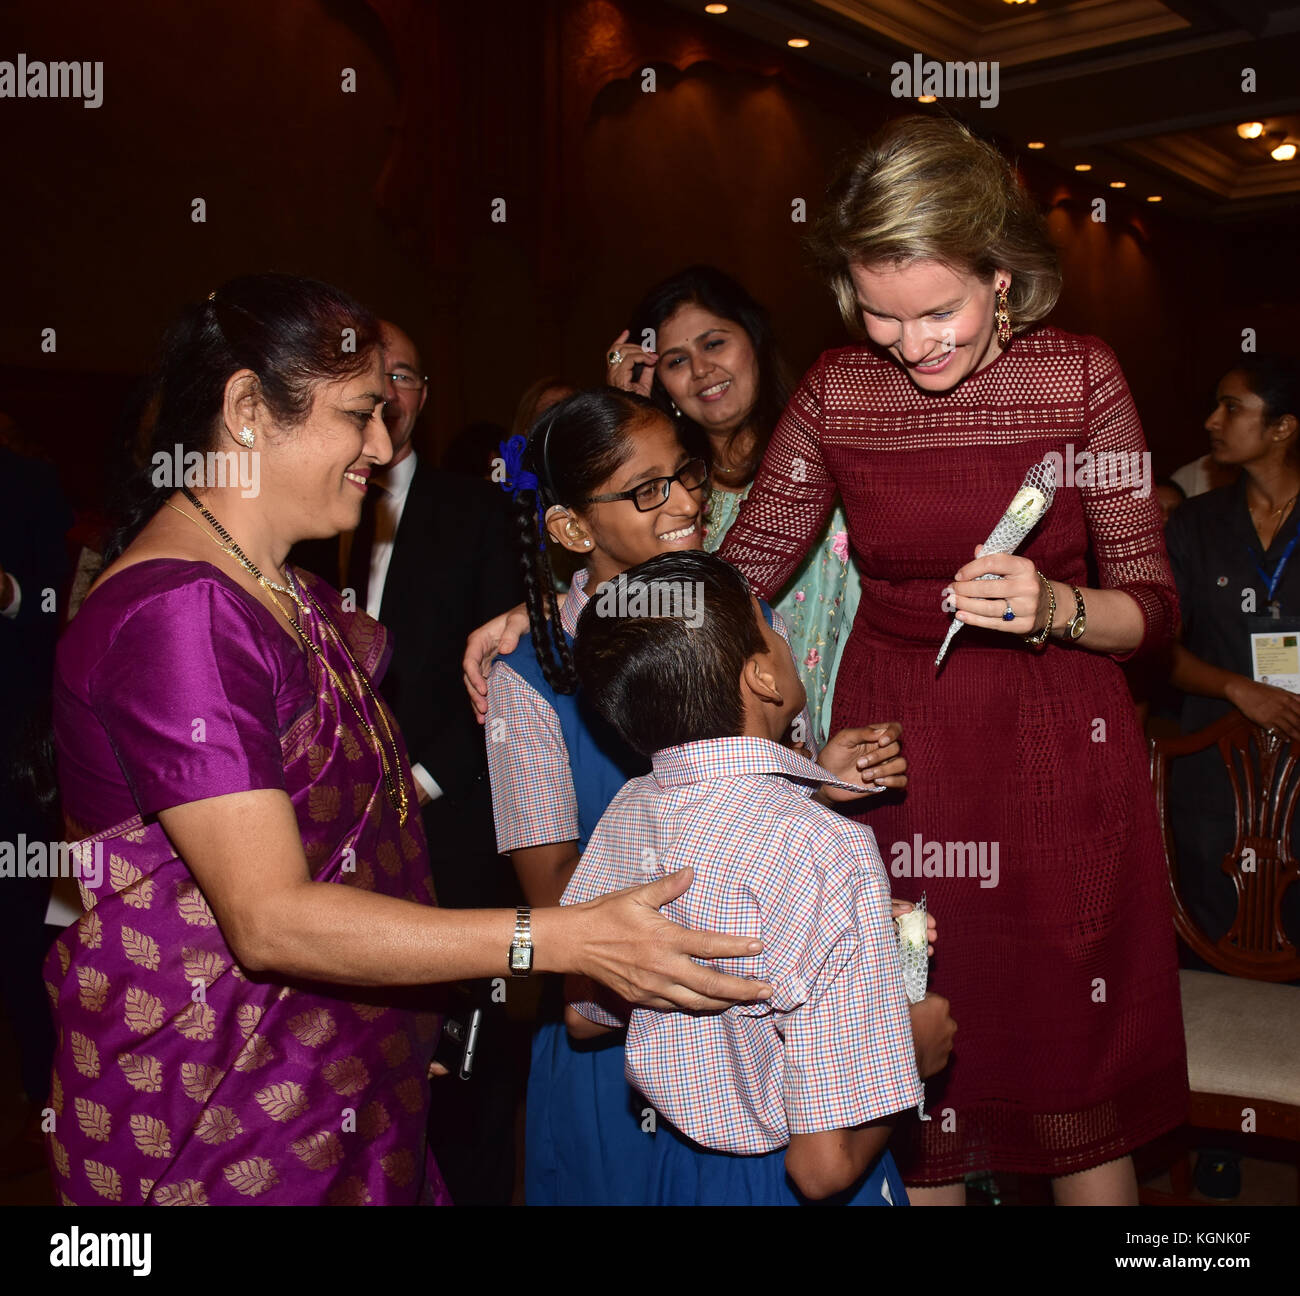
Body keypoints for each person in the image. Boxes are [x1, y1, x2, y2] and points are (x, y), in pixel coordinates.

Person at [44, 273, 778, 1207]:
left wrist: (383, 1032)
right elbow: (270, 919)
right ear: (245, 410)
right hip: (216, 1111)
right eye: (361, 415)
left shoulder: (290, 597)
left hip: (332, 1081)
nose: (386, 448)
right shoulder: (180, 613)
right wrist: (558, 939)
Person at [714, 115, 1187, 1205]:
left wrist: (1057, 604)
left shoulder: (1079, 379)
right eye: (878, 312)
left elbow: (1155, 611)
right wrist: (571, 611)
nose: (910, 342)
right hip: (901, 762)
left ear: (1004, 275)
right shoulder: (840, 390)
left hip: (1057, 758)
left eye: (939, 311)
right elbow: (737, 574)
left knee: (1072, 1076)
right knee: (910, 1067)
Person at [483, 387, 907, 1203]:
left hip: (770, 1034)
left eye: (686, 475)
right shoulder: (527, 681)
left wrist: (816, 781)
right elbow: (558, 910)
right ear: (572, 528)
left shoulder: (744, 611)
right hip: (631, 1046)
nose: (684, 502)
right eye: (647, 491)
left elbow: (751, 798)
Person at [562, 550, 955, 1204]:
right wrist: (908, 1057)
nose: (784, 634)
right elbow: (821, 1167)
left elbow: (585, 1015)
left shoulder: (630, 811)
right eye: (769, 626)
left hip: (683, 1174)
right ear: (762, 678)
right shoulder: (830, 846)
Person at [291, 319, 526, 1203]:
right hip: (317, 847)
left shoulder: (479, 510)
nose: (387, 396)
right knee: (348, 1066)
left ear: (424, 395)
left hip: (450, 826)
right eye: (365, 379)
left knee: (461, 1073)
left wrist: (407, 788)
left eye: (404, 376)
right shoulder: (298, 519)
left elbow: (507, 683)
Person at [605, 266, 860, 745]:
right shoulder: (671, 501)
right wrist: (626, 417)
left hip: (842, 746)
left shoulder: (828, 467)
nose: (701, 370)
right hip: (716, 758)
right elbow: (629, 604)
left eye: (714, 343)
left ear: (755, 342)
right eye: (676, 361)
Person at [1165, 354, 1300, 954]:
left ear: (1282, 427)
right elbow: (1156, 647)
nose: (1212, 421)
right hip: (1213, 762)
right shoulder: (1194, 524)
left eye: (1233, 407)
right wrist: (1237, 688)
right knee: (1213, 928)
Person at [0, 432, 73, 1177]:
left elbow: (58, 605)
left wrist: (9, 592)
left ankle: (42, 1096)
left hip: (13, 762)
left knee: (25, 932)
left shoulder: (27, 481)